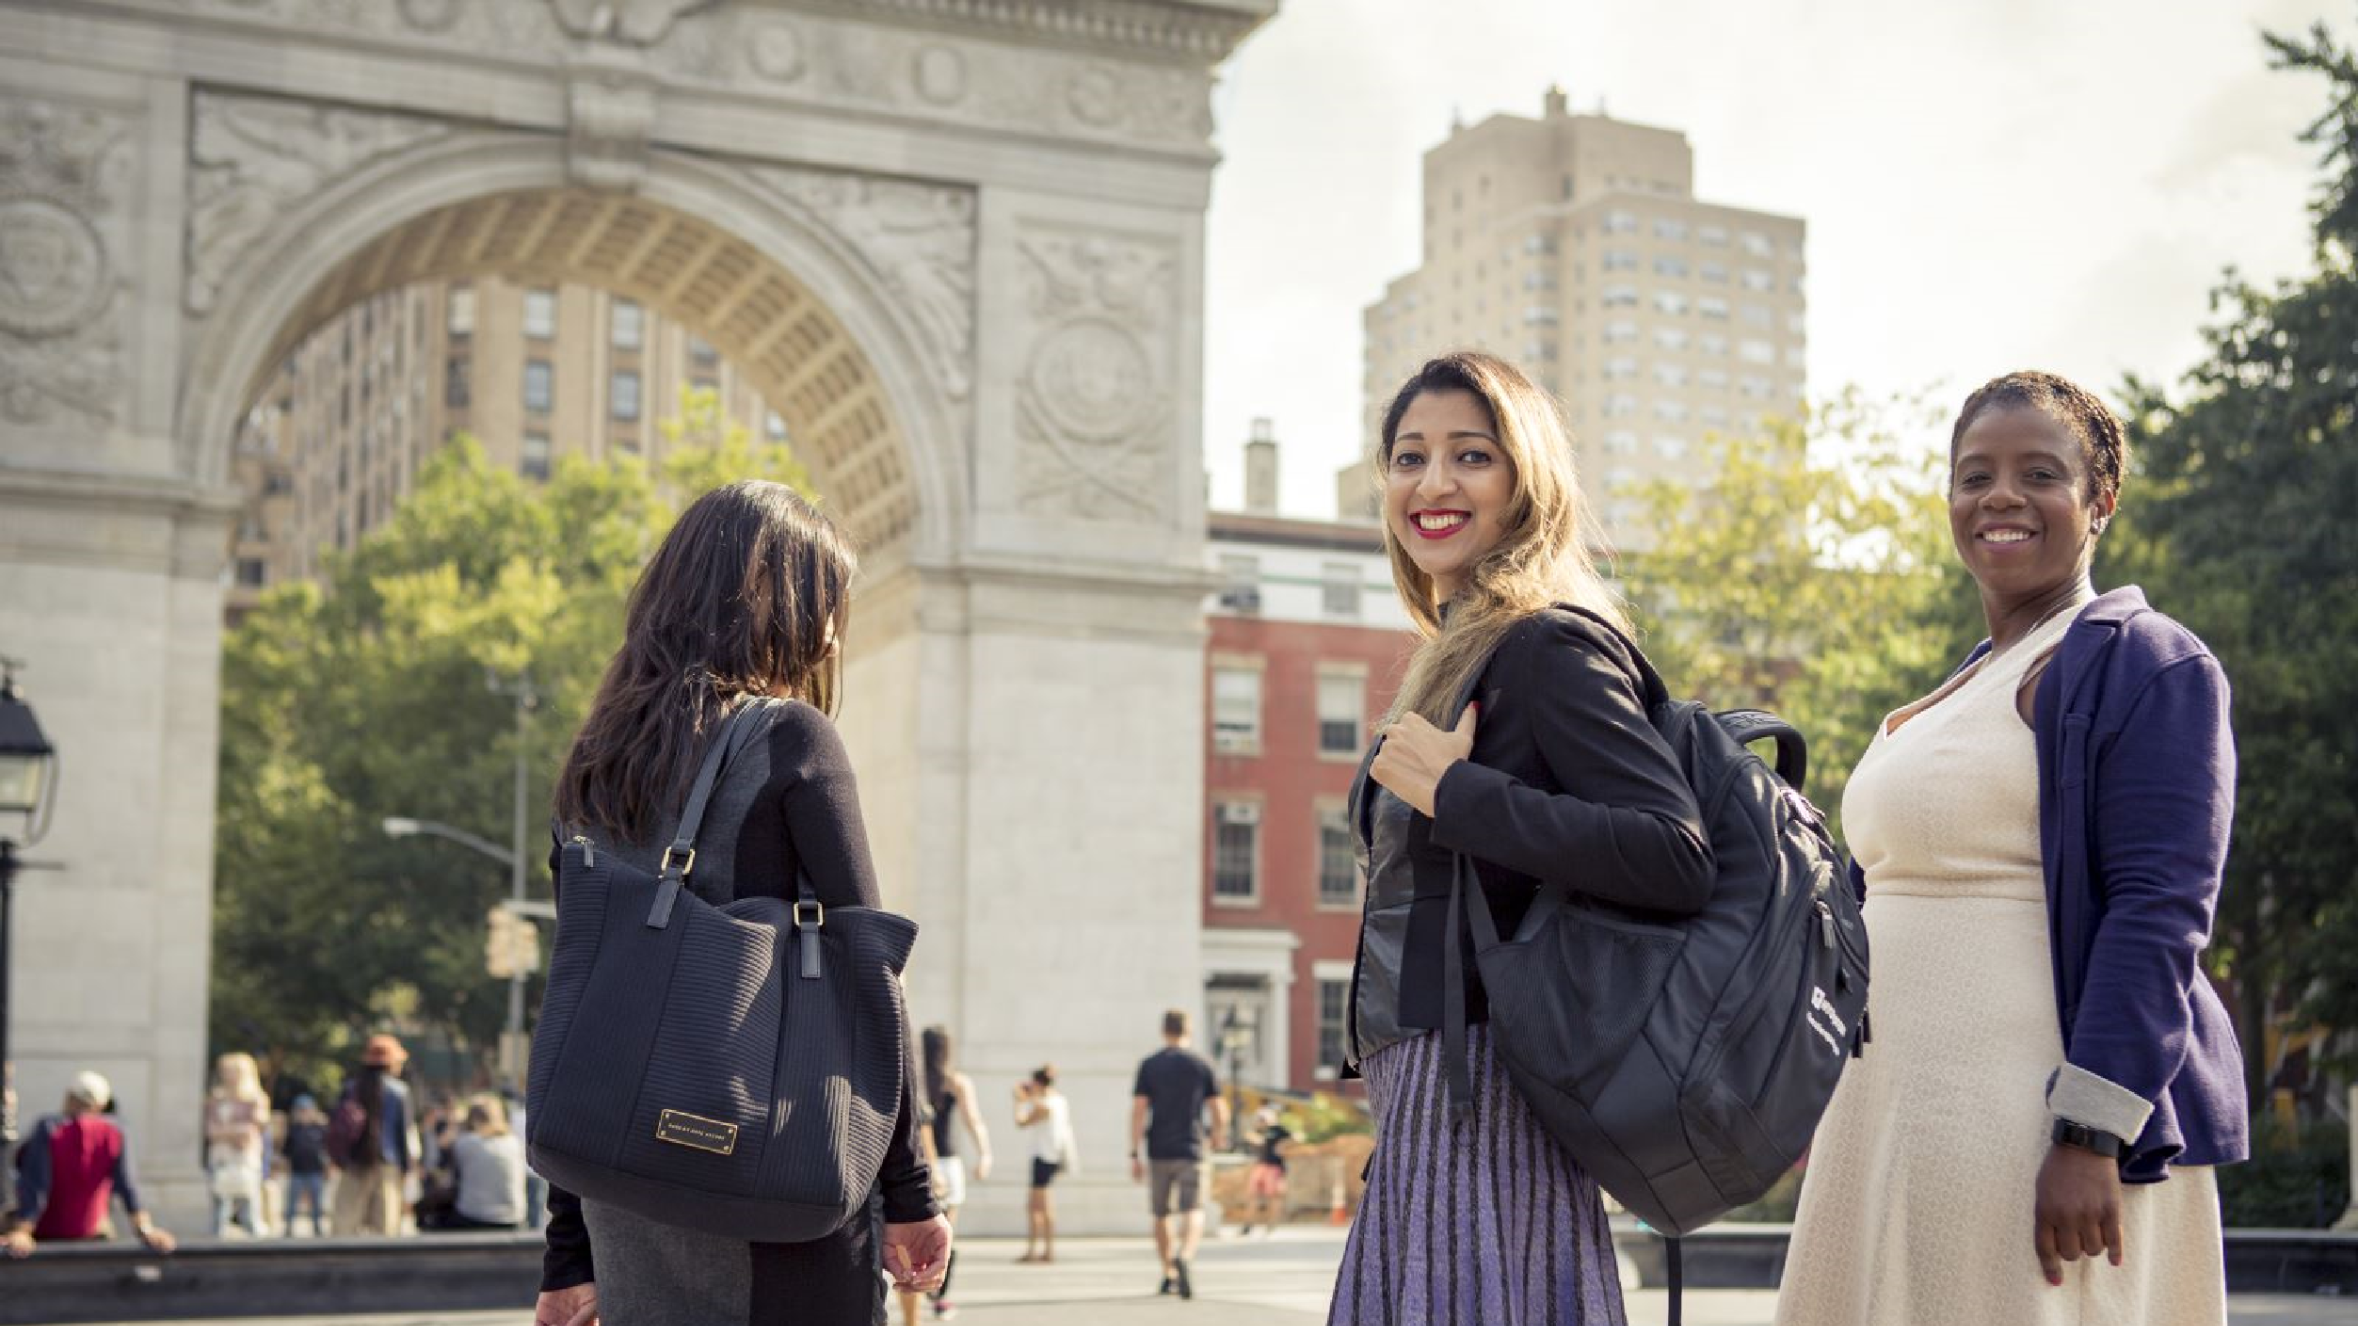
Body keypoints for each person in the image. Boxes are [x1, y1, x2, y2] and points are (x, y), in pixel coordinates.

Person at [1776, 371, 2248, 1324]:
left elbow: (2160, 909)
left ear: (2097, 501)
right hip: (1893, 1110)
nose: (1999, 496)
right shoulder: (1964, 684)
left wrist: (2091, 1135)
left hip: (2019, 1118)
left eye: (2039, 473)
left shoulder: (2143, 659)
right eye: (1973, 474)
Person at [1331, 352, 1714, 1326]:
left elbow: (1672, 852)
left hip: (1492, 1098)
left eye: (1471, 456)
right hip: (1435, 1098)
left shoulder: (1545, 643)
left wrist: (1457, 794)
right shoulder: (1457, 649)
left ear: (1525, 481)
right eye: (1409, 457)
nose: (1433, 483)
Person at [534, 480, 950, 1326]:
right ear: (776, 602)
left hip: (626, 1194)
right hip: (776, 1170)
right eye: (826, 602)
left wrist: (567, 1257)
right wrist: (911, 1190)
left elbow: (588, 1013)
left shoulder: (594, 765)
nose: (834, 631)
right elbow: (872, 979)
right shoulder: (790, 740)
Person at [3, 1071, 176, 1258]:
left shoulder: (49, 1128)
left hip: (45, 1232)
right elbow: (128, 1185)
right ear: (100, 1105)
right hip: (92, 1232)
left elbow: (36, 1184)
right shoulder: (115, 1132)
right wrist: (145, 1228)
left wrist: (23, 1231)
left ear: (69, 1097)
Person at [1129, 1009, 1226, 1299]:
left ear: (1164, 1030)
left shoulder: (1149, 1065)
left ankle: (1168, 1271)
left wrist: (1134, 1152)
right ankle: (1185, 1255)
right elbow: (1218, 1109)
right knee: (1193, 1208)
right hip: (1193, 1148)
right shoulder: (1202, 1064)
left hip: (1158, 1149)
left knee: (1161, 1213)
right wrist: (1217, 1136)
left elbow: (1139, 1110)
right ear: (1189, 1030)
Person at [914, 1026, 991, 1321]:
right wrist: (985, 1154)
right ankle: (939, 1297)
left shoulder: (917, 1081)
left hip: (921, 1164)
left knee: (920, 1235)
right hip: (949, 1163)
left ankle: (920, 1297)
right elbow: (974, 1120)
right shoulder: (956, 1082)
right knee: (946, 1236)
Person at [331, 1034, 418, 1237]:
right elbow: (402, 1135)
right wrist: (406, 1170)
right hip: (387, 1164)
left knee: (345, 1224)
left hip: (354, 1163)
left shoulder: (351, 1088)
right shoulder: (399, 1092)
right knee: (385, 1227)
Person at [434, 1094, 527, 1231]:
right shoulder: (513, 1143)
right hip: (513, 1217)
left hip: (473, 1216)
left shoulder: (466, 1142)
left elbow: (450, 1178)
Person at [205, 1051, 272, 1237]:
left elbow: (252, 1131)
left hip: (244, 1160)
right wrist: (235, 1131)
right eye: (226, 1071)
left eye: (233, 1071)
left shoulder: (255, 1098)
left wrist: (226, 1131)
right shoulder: (216, 1098)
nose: (228, 1076)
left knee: (249, 1209)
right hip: (220, 1157)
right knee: (219, 1210)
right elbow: (210, 1131)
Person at [1013, 1065, 1075, 1266]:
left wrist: (1019, 1101)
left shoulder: (1042, 1105)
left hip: (1042, 1158)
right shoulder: (1060, 1101)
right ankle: (1044, 1249)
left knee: (1037, 1208)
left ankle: (1040, 1250)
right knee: (1039, 1206)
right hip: (1052, 1158)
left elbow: (1021, 1122)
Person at [1238, 1105, 1292, 1237]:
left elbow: (1296, 1138)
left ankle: (1271, 1224)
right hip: (1260, 1166)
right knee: (1253, 1196)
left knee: (1273, 1197)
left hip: (1274, 1167)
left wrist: (1283, 1145)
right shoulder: (1260, 1130)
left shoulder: (1279, 1130)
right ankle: (1248, 1224)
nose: (1261, 1121)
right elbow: (1254, 1140)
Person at [280, 1094, 330, 1238]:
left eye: (306, 1110)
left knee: (316, 1202)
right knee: (292, 1202)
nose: (303, 1114)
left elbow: (326, 1150)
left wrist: (328, 1167)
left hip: (315, 1171)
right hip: (297, 1171)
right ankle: (289, 1226)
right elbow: (287, 1152)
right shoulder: (294, 1130)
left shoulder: (320, 1129)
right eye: (300, 1110)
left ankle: (317, 1226)